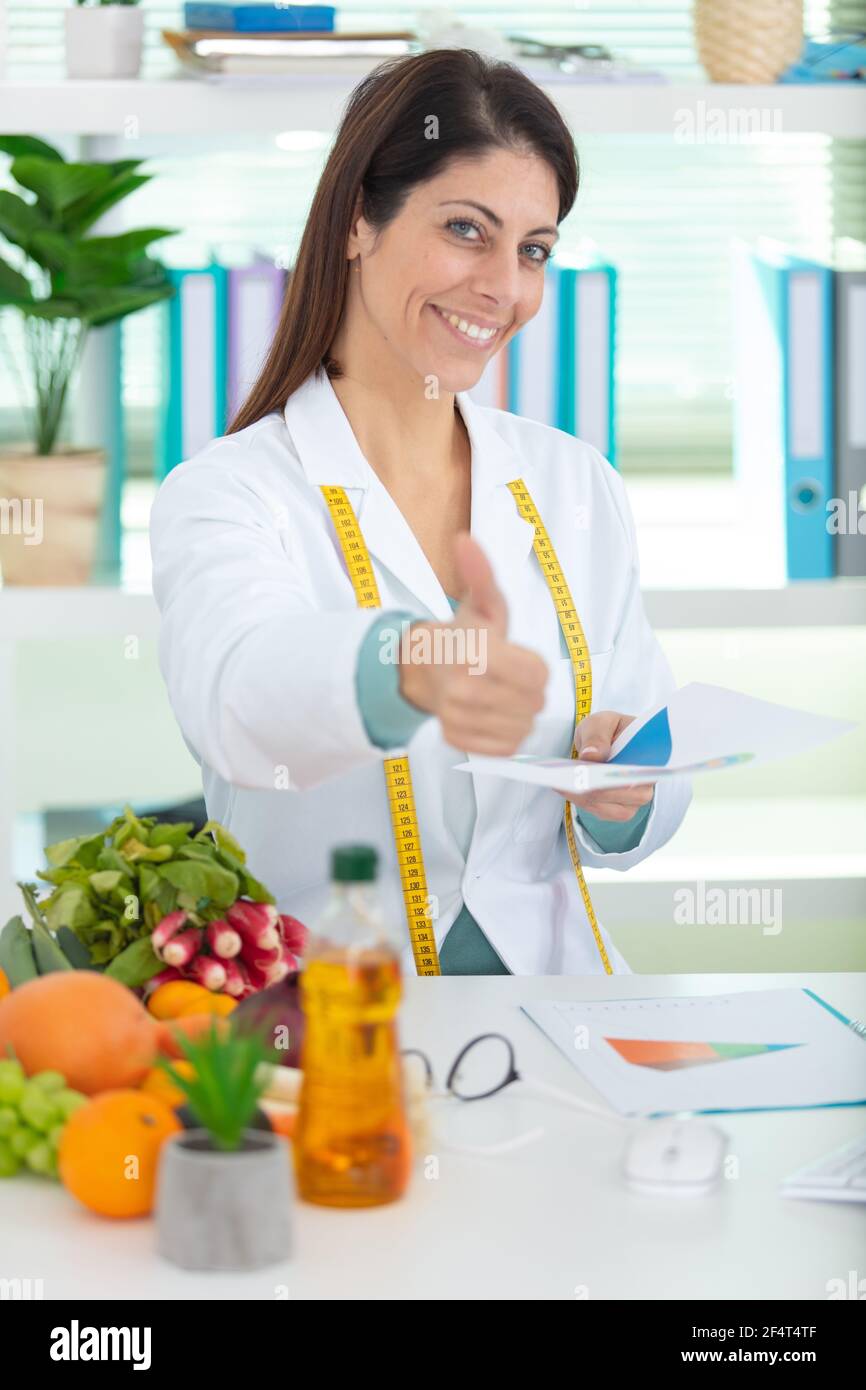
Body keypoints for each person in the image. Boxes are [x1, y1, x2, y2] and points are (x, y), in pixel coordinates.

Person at [149, 48, 691, 977]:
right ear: (359, 218)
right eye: (465, 230)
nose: (504, 287)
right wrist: (407, 663)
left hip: (556, 1022)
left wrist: (629, 789)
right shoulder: (231, 492)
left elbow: (647, 771)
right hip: (325, 1035)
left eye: (533, 250)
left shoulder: (574, 485)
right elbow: (237, 700)